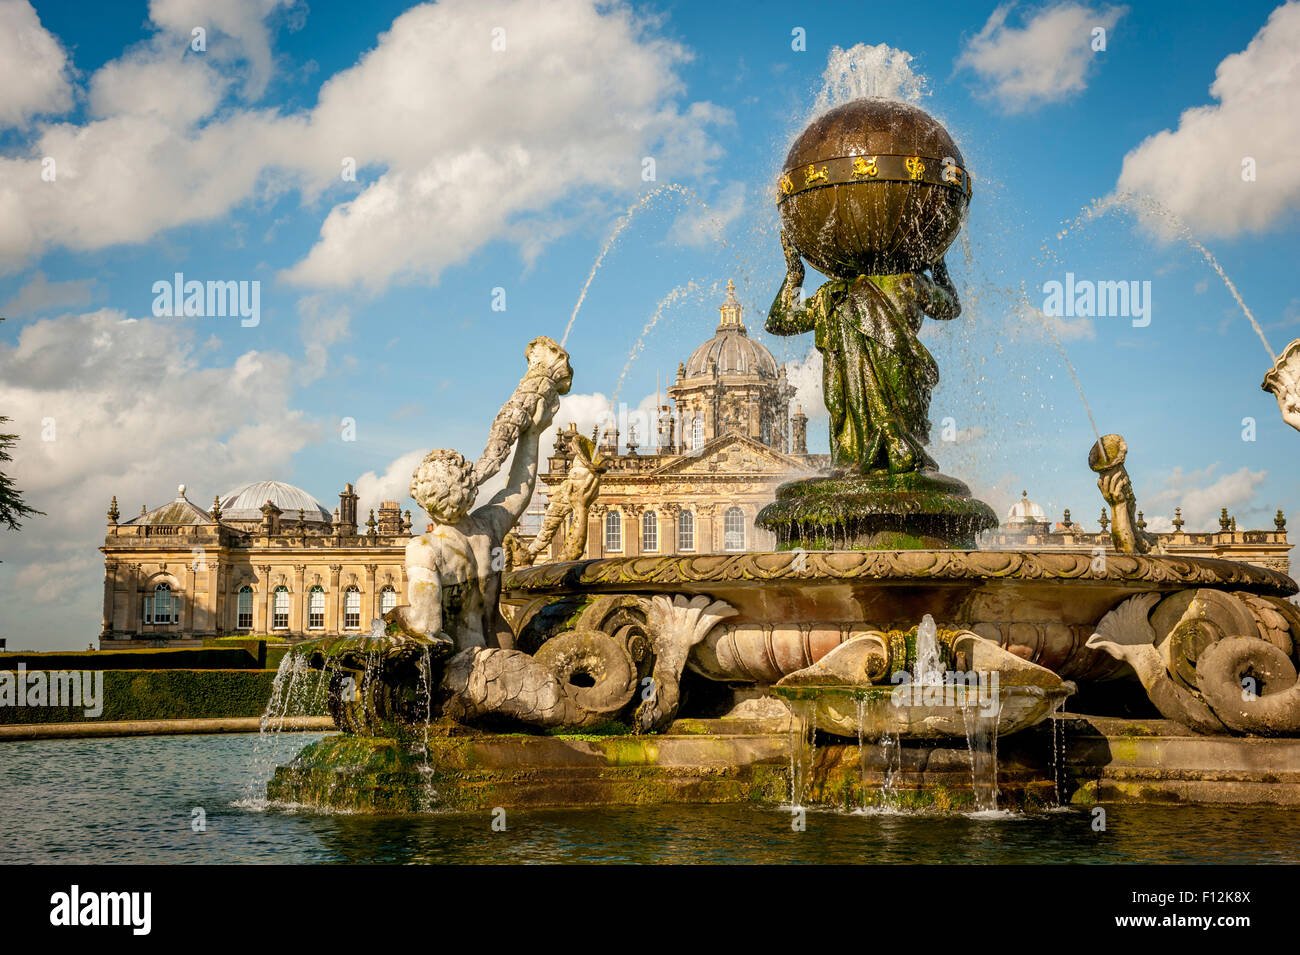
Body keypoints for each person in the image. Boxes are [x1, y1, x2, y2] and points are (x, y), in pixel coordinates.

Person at [766, 229, 959, 476]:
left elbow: (779, 319)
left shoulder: (832, 297)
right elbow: (951, 307)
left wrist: (795, 273)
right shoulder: (912, 282)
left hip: (857, 416)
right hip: (905, 390)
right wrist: (939, 266)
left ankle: (878, 447)